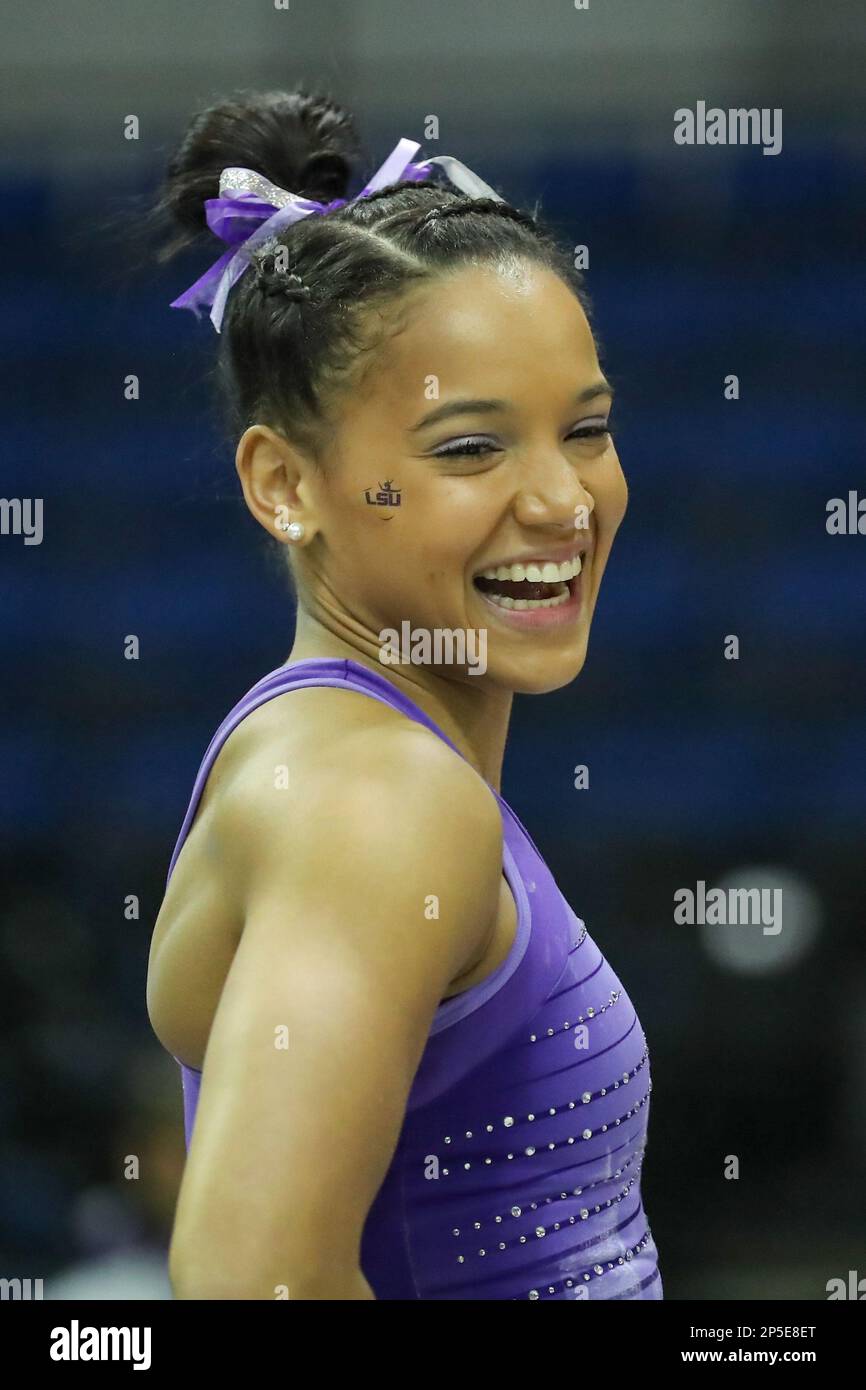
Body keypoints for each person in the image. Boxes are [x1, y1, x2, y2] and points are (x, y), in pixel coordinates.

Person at [146, 87, 662, 1300]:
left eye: (584, 430)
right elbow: (249, 1283)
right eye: (469, 448)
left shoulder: (353, 760)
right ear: (285, 483)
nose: (562, 502)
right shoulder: (372, 801)